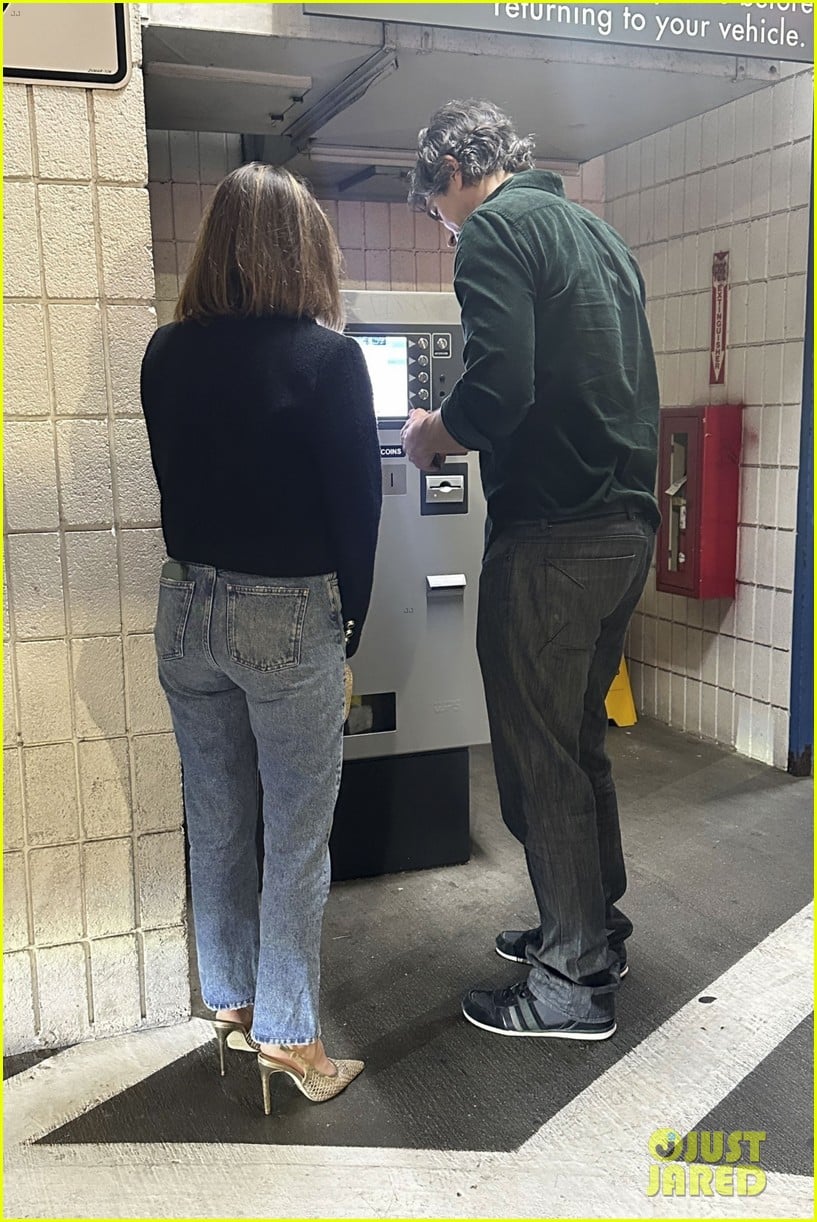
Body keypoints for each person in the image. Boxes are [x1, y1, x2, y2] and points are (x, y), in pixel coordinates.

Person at [402, 100, 660, 1041]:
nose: (445, 225)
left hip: (552, 534)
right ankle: (591, 927)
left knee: (536, 758)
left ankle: (569, 982)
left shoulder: (496, 230)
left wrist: (435, 435)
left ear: (457, 167)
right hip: (626, 524)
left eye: (437, 208)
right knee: (577, 745)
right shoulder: (597, 233)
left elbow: (499, 386)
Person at [140, 163, 382, 1108]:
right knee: (297, 837)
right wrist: (344, 626)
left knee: (218, 817)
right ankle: (293, 1037)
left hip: (185, 607)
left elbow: (176, 486)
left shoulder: (165, 352)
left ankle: (233, 1003)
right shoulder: (327, 358)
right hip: (288, 615)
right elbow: (356, 512)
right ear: (305, 246)